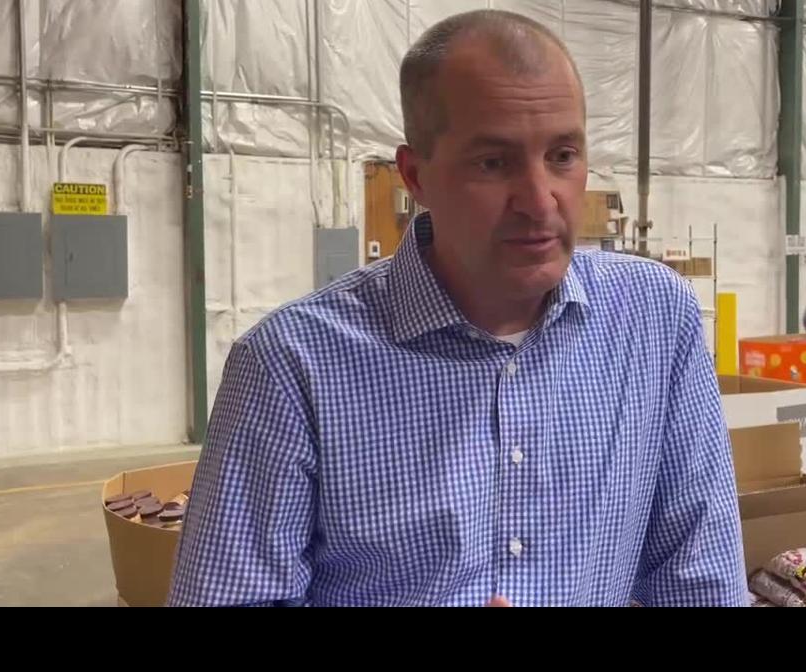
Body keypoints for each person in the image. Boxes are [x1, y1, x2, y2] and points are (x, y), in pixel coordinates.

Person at [167, 10, 747, 607]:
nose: (539, 200)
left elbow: (698, 577)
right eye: (493, 163)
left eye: (564, 156)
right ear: (416, 176)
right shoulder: (292, 366)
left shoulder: (653, 320)